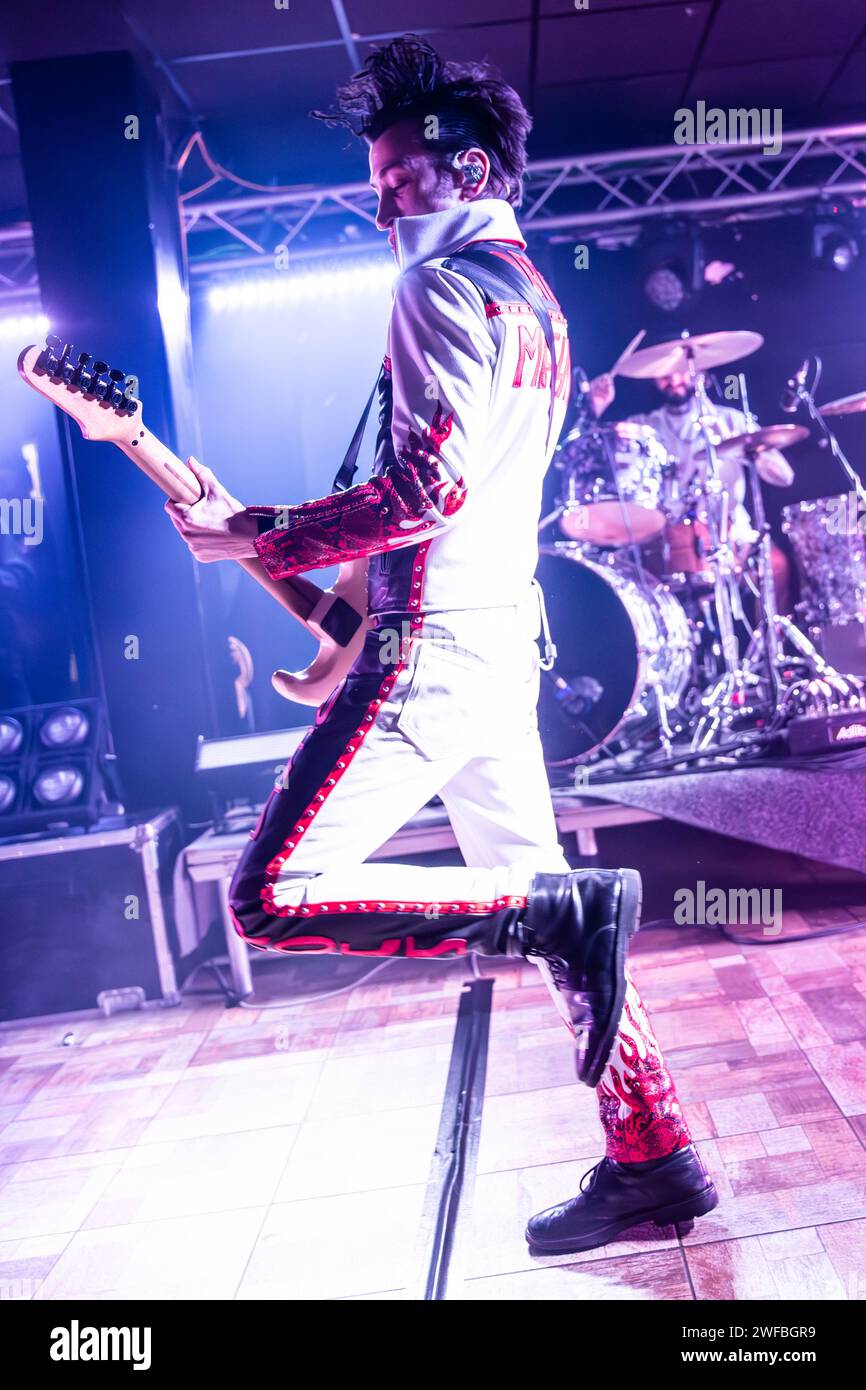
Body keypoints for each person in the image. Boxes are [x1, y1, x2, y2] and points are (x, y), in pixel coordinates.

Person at [167, 35, 717, 1254]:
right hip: (493, 648)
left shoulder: (434, 288)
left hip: (432, 657)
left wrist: (258, 530)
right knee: (555, 907)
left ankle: (555, 916)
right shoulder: (538, 301)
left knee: (268, 894)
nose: (378, 207)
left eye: (394, 180)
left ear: (466, 168)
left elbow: (426, 491)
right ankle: (654, 1149)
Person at [591, 368, 794, 608]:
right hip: (663, 541)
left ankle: (768, 643)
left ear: (699, 374)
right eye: (664, 374)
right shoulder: (641, 426)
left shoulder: (729, 419)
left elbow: (784, 477)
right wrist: (594, 408)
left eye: (679, 372)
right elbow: (594, 461)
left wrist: (743, 445)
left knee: (776, 566)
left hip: (730, 537)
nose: (674, 380)